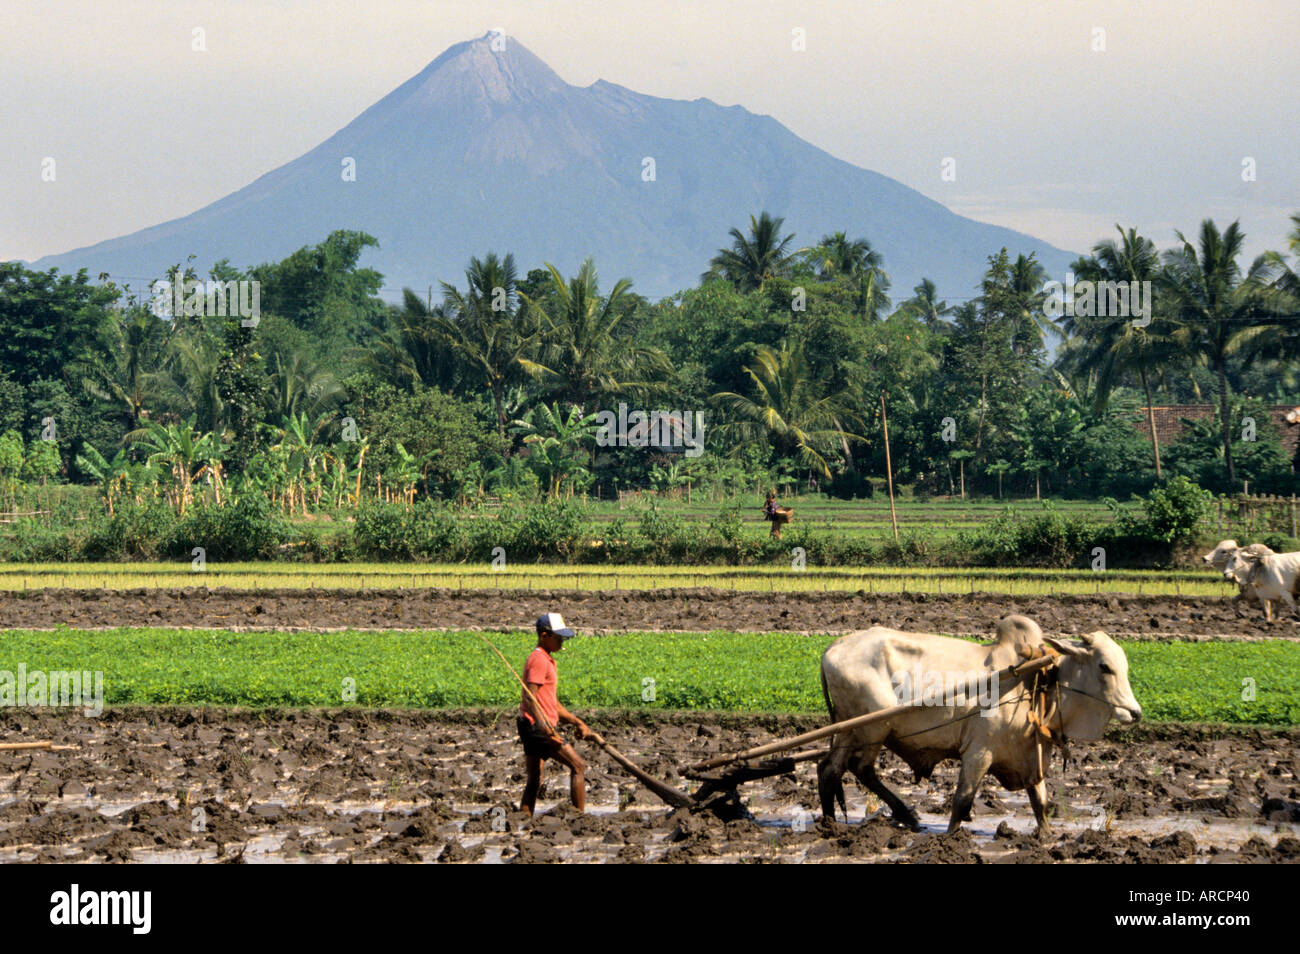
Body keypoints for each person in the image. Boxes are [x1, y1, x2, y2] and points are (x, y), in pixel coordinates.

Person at [517, 612, 593, 816]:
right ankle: (580, 819)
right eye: (557, 636)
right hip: (537, 726)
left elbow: (553, 703)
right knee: (578, 765)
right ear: (544, 635)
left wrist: (576, 721)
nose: (561, 641)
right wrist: (544, 726)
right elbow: (529, 696)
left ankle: (523, 820)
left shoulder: (546, 659)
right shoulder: (539, 659)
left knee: (534, 780)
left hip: (531, 724)